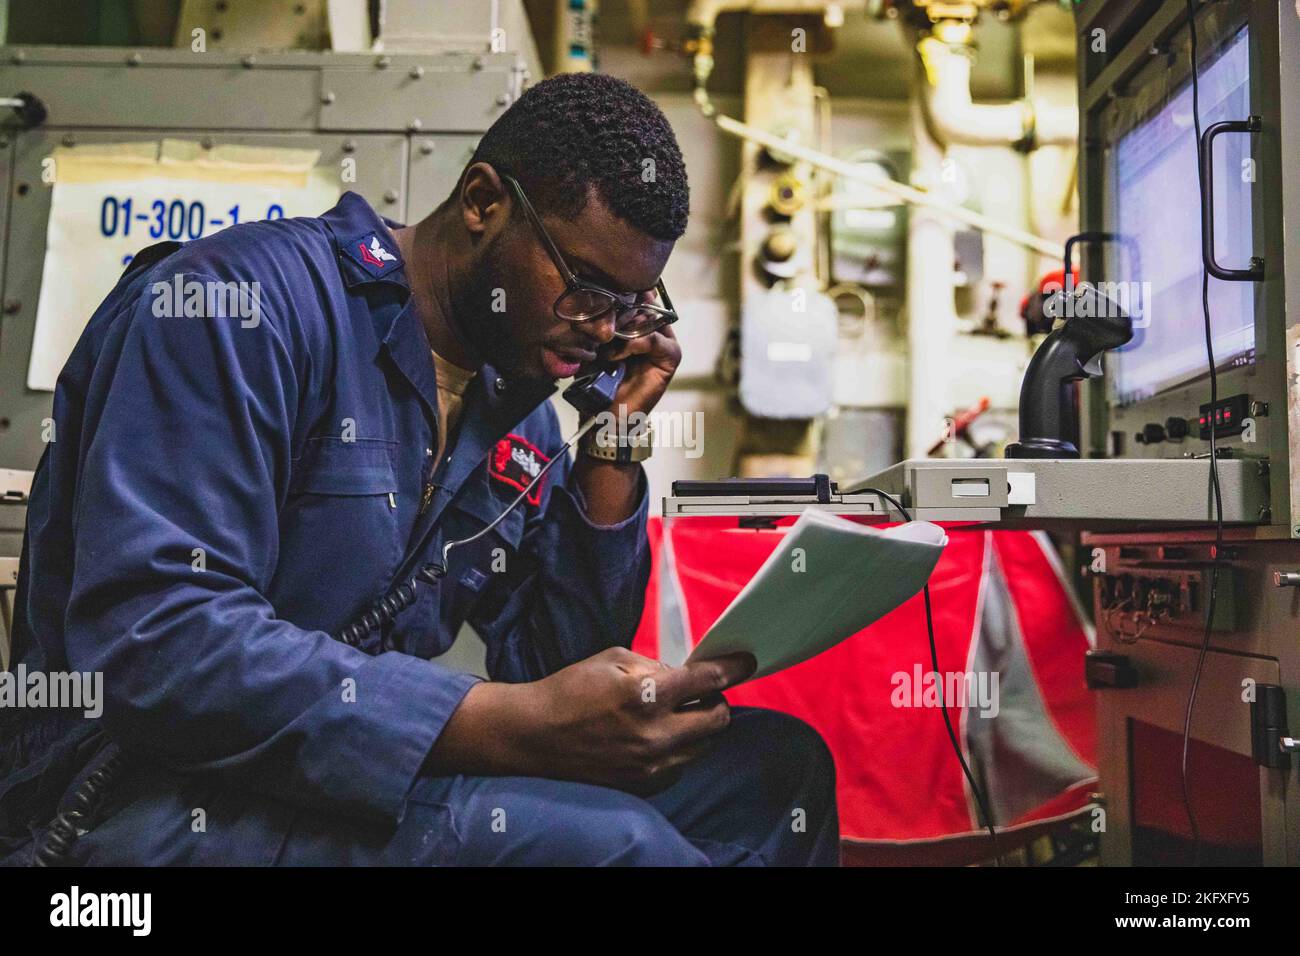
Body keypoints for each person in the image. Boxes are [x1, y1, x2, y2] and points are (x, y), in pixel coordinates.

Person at [0, 72, 838, 866]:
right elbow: (166, 646)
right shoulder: (239, 307)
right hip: (144, 794)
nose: (606, 330)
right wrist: (504, 723)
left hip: (332, 769)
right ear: (482, 202)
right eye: (587, 286)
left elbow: (562, 667)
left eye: (632, 306)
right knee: (611, 846)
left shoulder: (521, 410)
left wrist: (612, 443)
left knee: (773, 772)